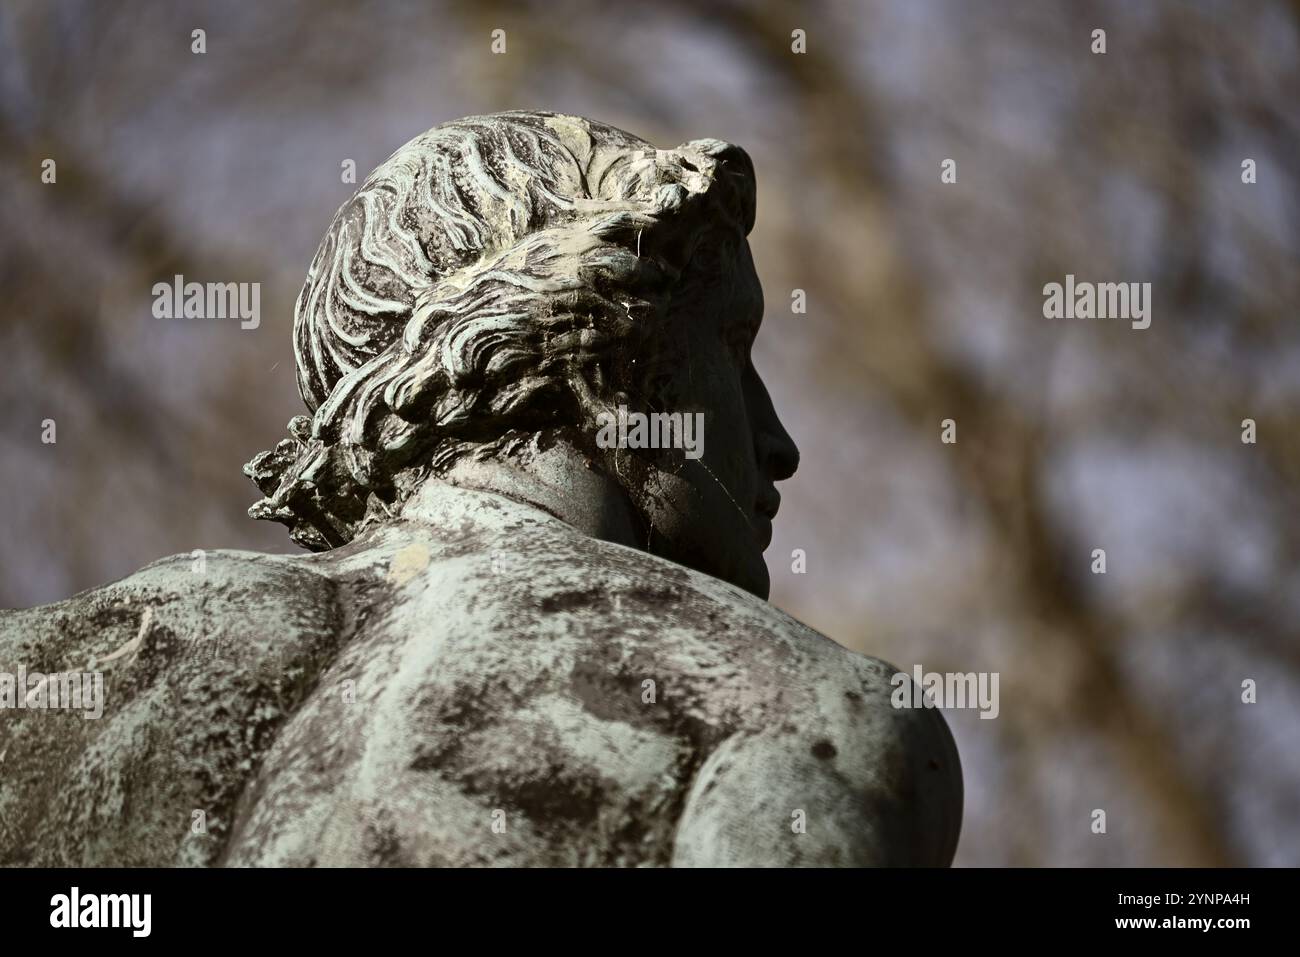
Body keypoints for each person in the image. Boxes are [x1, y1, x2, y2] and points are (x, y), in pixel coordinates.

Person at [0, 112, 960, 866]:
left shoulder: (53, 673)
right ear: (606, 344)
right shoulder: (799, 711)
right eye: (731, 345)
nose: (778, 442)